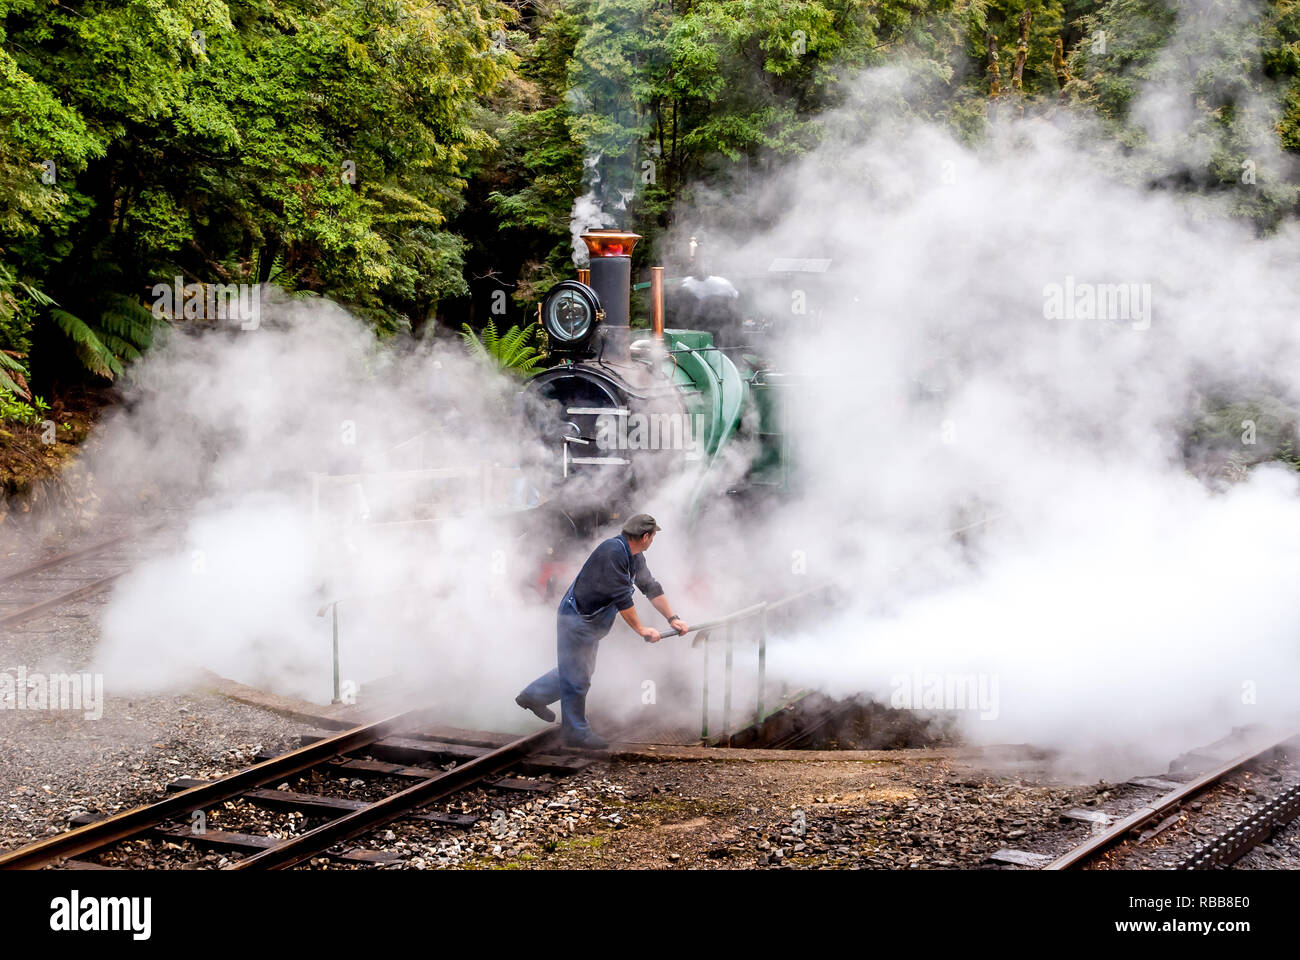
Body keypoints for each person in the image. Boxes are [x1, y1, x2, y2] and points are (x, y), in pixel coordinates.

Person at [515, 513, 688, 749]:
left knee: (577, 668)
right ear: (646, 536)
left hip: (591, 621)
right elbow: (622, 598)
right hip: (577, 618)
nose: (654, 539)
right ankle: (576, 733)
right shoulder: (613, 552)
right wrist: (641, 630)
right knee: (578, 676)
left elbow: (650, 587)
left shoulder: (634, 557)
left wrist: (672, 618)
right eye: (654, 535)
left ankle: (533, 696)